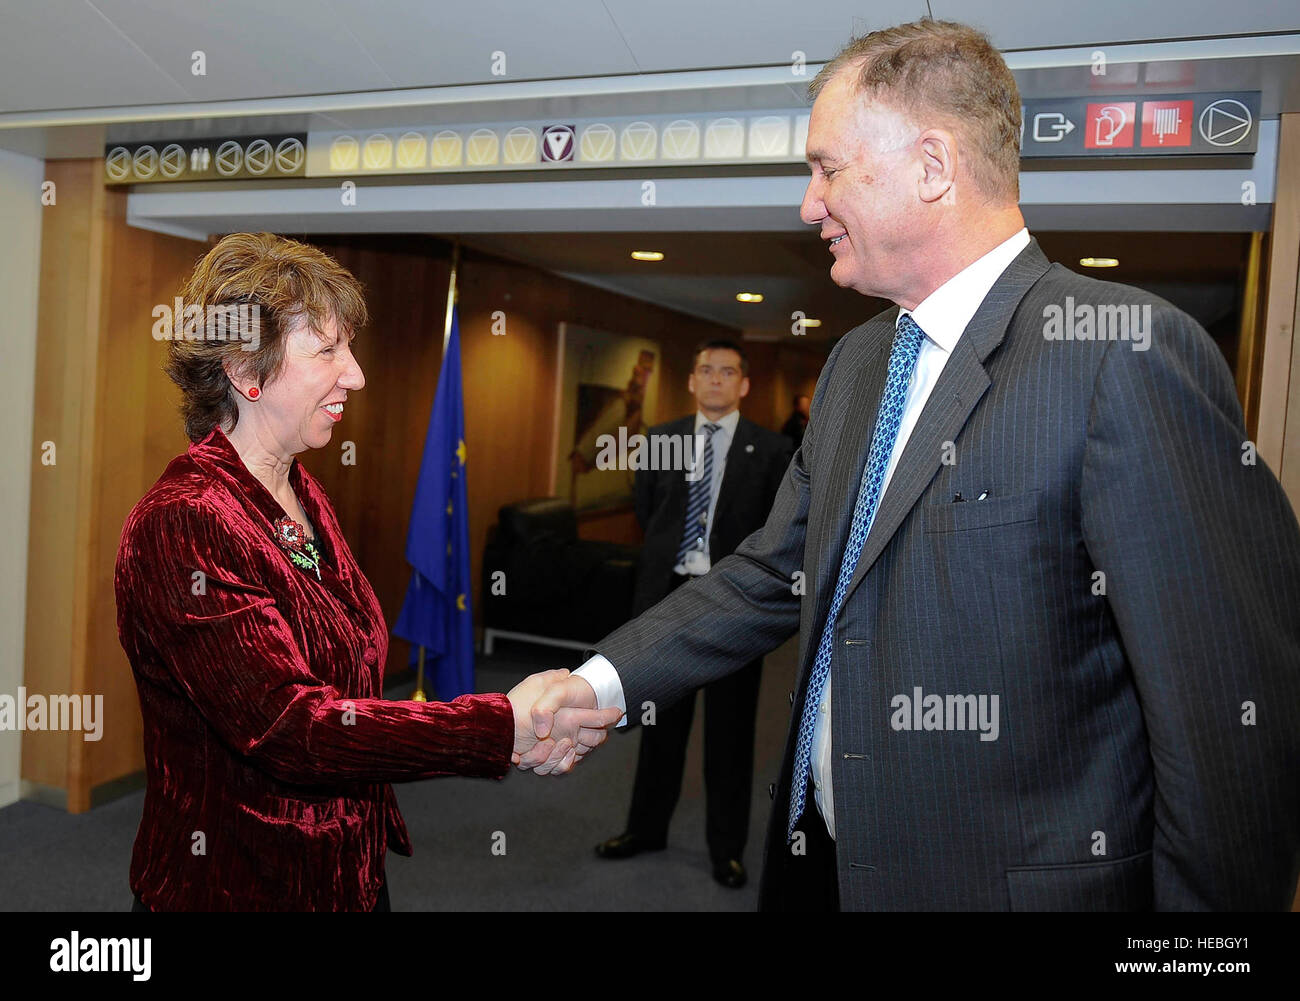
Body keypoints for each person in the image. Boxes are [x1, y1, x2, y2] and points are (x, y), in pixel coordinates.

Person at [521, 19, 1300, 911]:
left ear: (933, 166)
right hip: (826, 870)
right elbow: (773, 575)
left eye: (827, 168)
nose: (808, 205)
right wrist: (598, 683)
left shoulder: (1121, 355)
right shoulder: (856, 365)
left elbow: (1231, 734)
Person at [115, 233, 619, 912]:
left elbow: (345, 677)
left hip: (347, 872)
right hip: (238, 885)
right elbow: (294, 729)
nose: (354, 374)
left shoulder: (302, 491)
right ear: (244, 368)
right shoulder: (186, 521)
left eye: (348, 347)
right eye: (327, 350)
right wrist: (496, 727)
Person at [594, 340, 792, 888]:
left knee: (730, 735)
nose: (715, 381)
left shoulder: (772, 451)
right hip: (668, 599)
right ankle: (644, 829)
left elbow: (775, 533)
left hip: (736, 605)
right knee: (660, 726)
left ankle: (727, 849)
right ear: (691, 380)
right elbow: (646, 510)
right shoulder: (659, 441)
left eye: (727, 373)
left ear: (743, 384)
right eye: (705, 370)